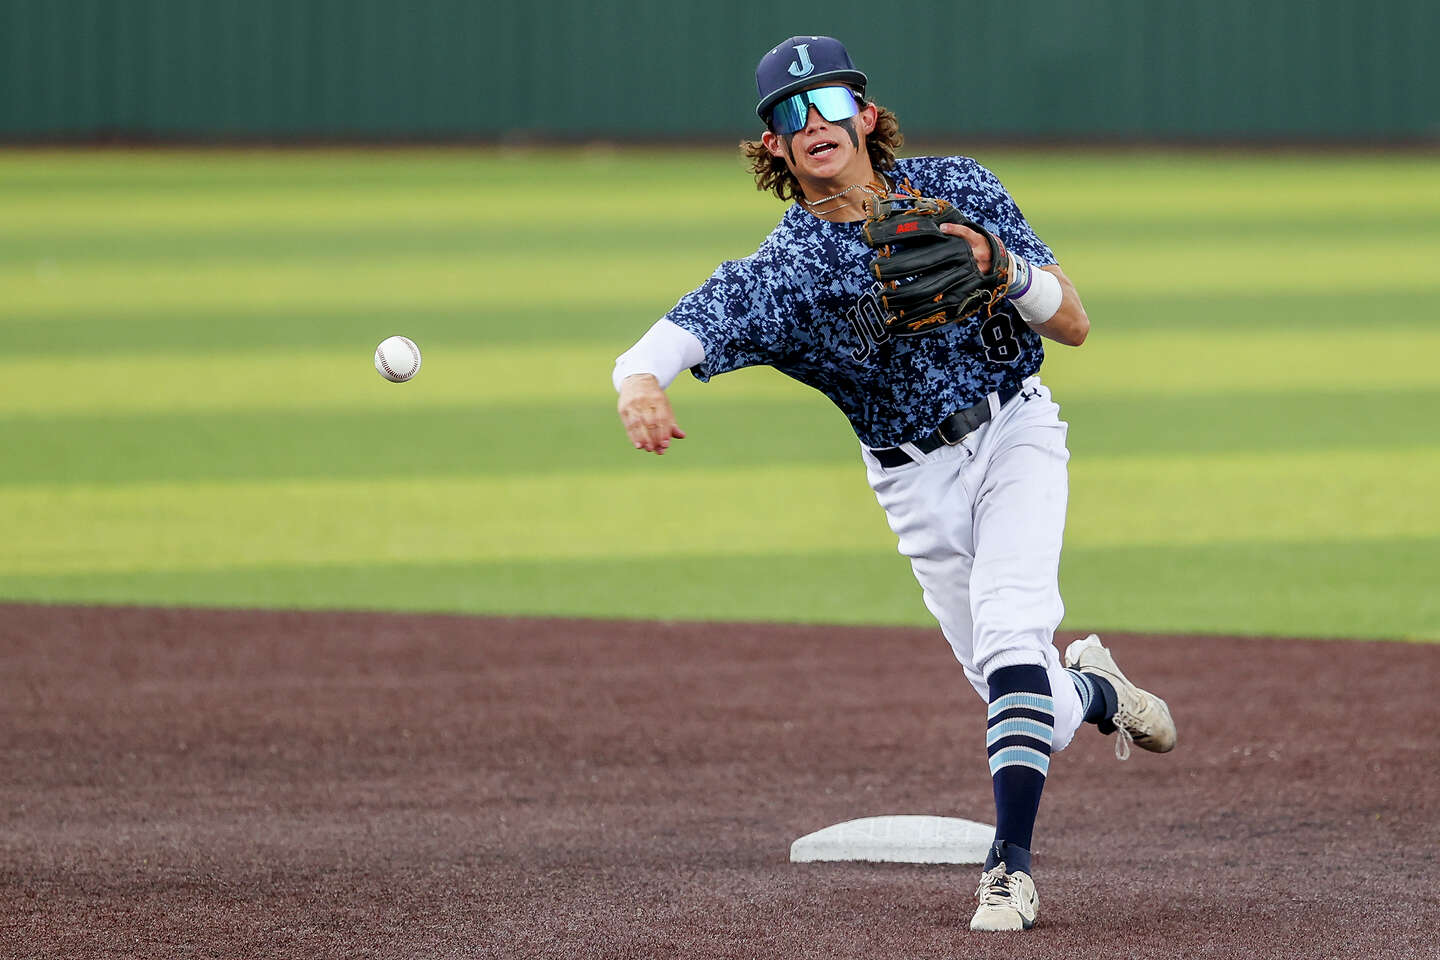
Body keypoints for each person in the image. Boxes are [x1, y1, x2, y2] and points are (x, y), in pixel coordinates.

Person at [611, 35, 1176, 933]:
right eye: (789, 114)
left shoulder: (961, 191)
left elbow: (1072, 321)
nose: (813, 123)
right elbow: (671, 336)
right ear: (774, 148)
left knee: (1009, 635)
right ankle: (1098, 693)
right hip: (912, 488)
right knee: (1021, 693)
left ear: (866, 116)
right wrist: (638, 385)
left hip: (1017, 432)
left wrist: (1002, 267)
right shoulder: (787, 274)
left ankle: (1009, 871)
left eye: (828, 101)